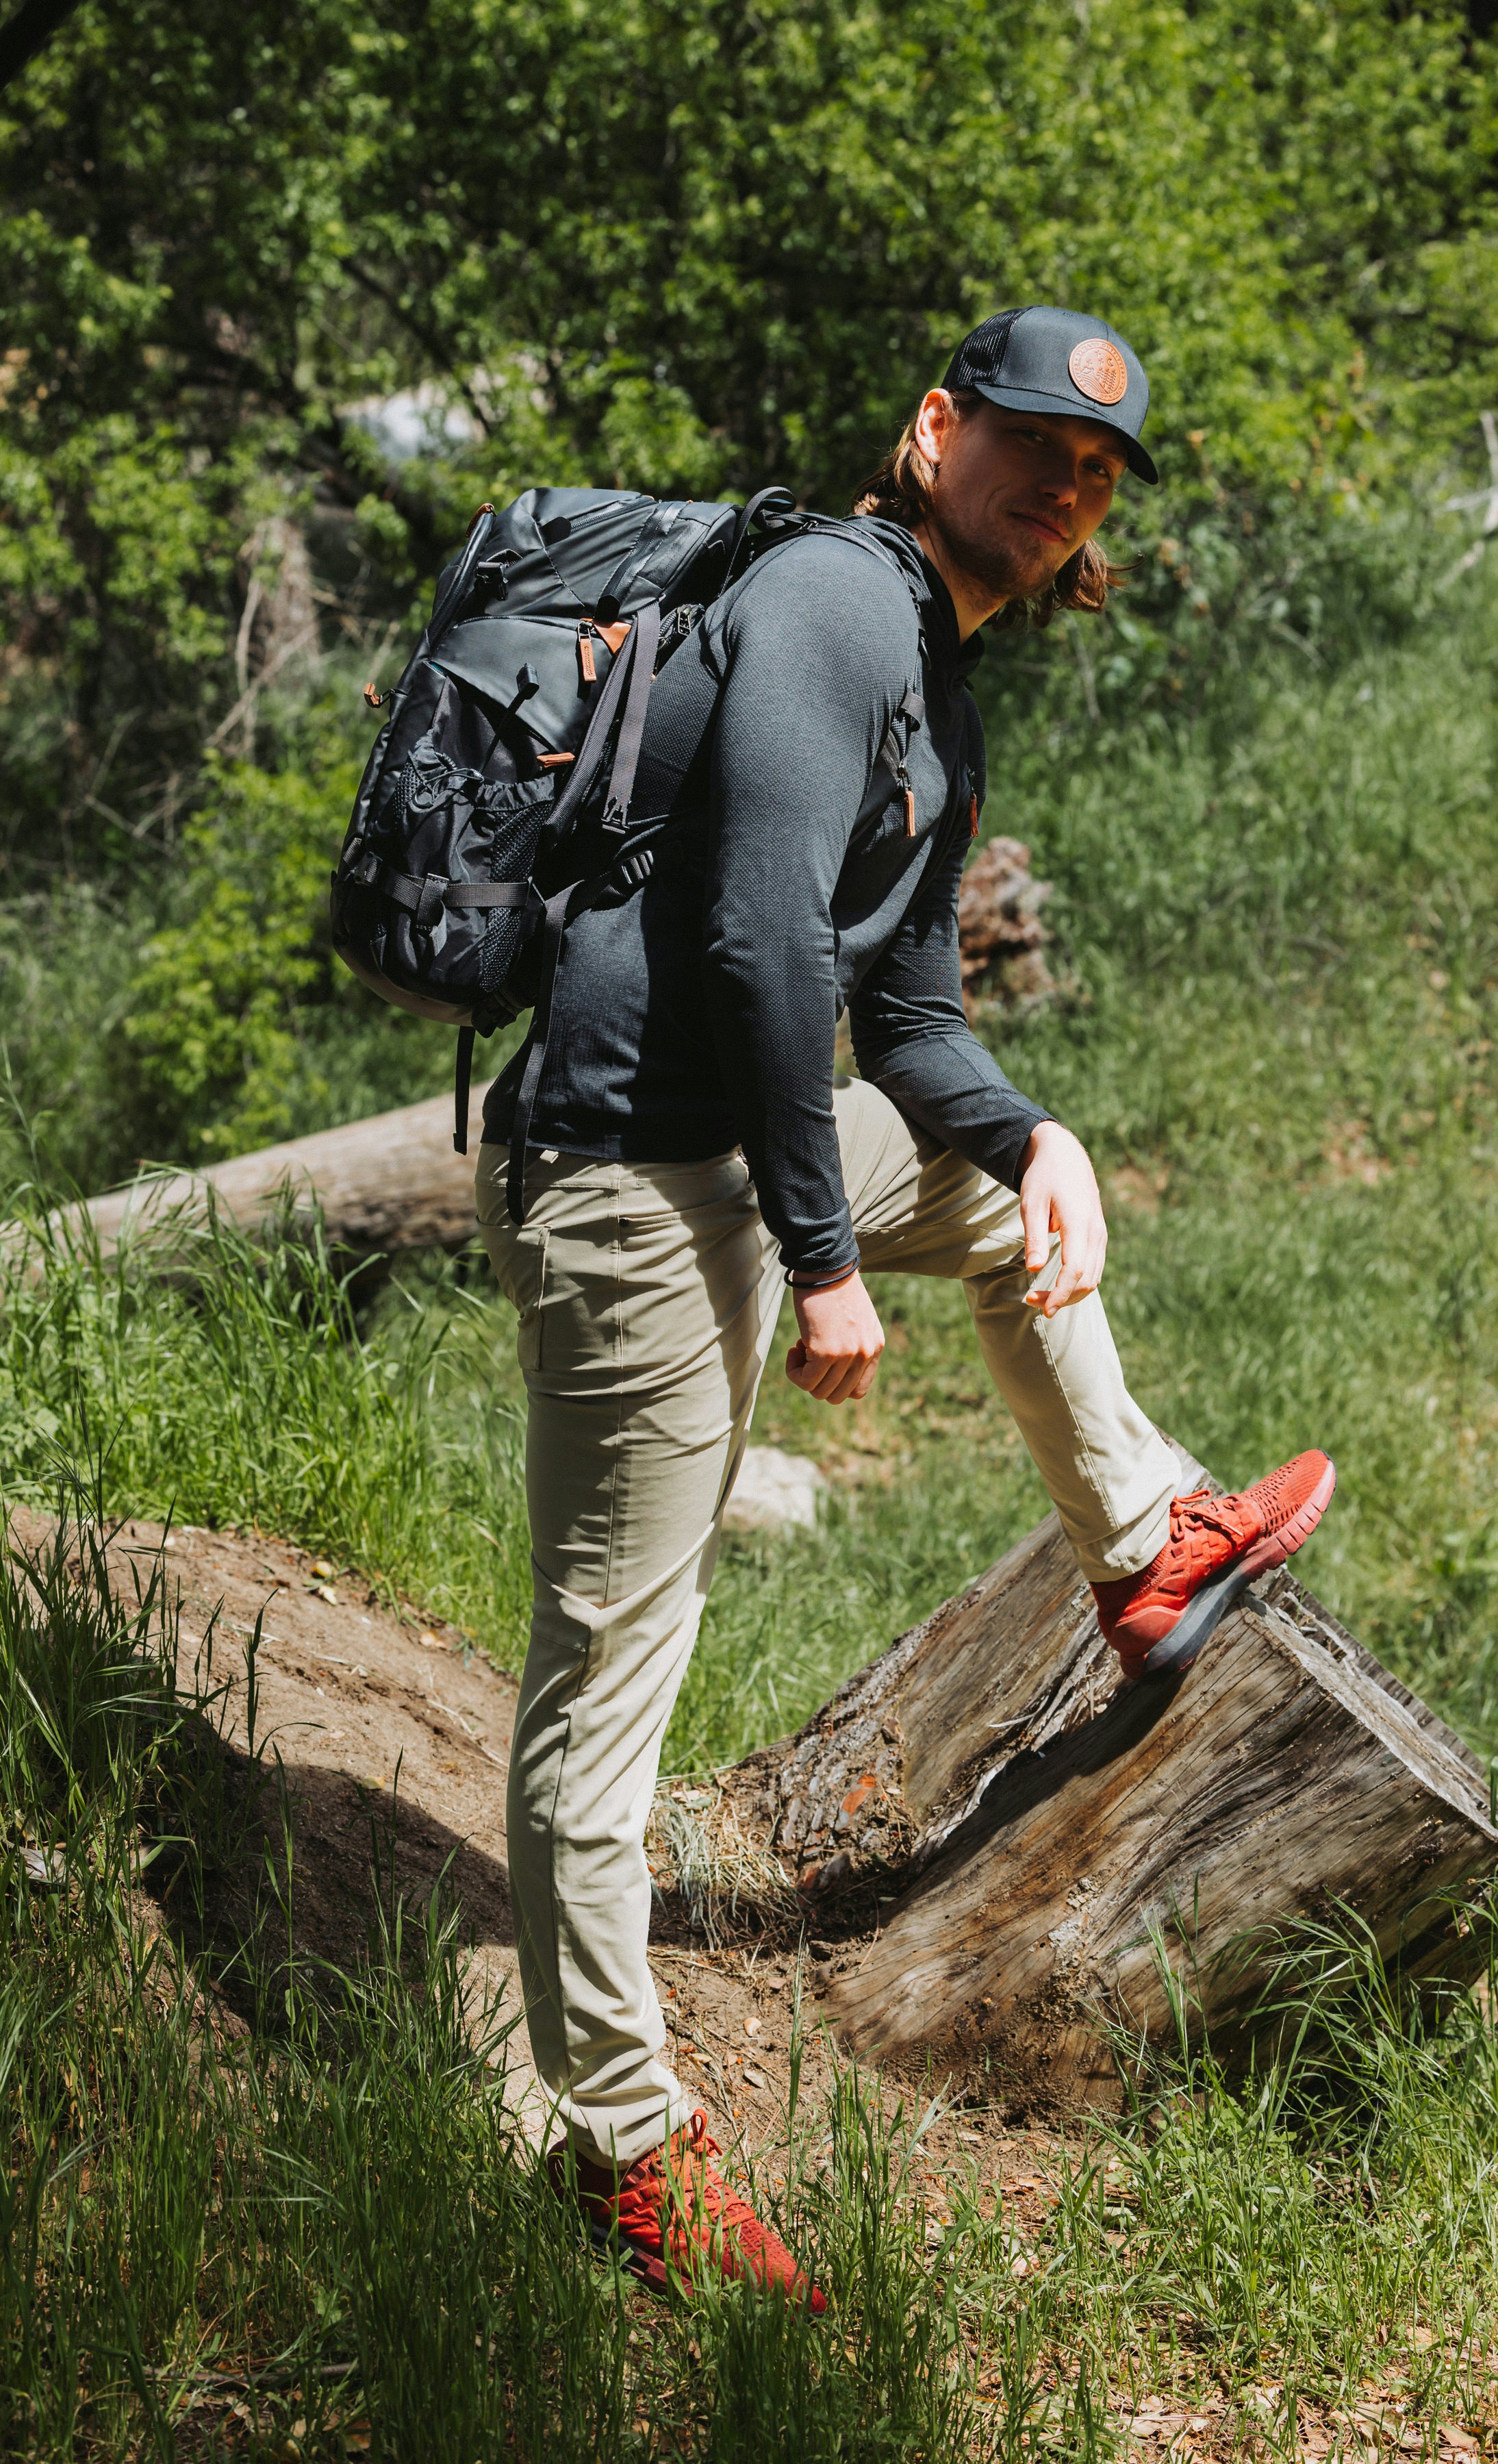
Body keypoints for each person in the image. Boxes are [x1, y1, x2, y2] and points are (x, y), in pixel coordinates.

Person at [475, 305, 1335, 2306]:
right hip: (627, 1182)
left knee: (1001, 1190)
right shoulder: (837, 599)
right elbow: (763, 940)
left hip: (716, 1156)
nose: (1062, 485)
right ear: (935, 427)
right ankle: (615, 2137)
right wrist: (825, 1254)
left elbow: (918, 1016)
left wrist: (1035, 1136)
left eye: (1098, 469)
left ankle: (1141, 1544)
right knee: (608, 1676)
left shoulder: (938, 688)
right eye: (1032, 439)